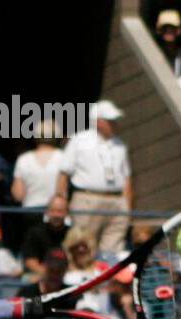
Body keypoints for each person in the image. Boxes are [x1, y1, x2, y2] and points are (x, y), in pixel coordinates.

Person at [55, 100, 132, 258]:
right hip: (87, 198)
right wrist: (61, 200)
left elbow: (126, 178)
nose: (114, 124)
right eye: (110, 121)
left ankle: (109, 278)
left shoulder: (120, 145)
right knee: (82, 245)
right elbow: (64, 173)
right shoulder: (79, 140)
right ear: (98, 122)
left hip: (117, 201)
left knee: (114, 249)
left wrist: (127, 207)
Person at [10, 123, 62, 226]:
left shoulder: (24, 159)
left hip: (30, 213)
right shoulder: (64, 158)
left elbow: (18, 195)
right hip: (57, 214)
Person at [20, 194, 70, 274]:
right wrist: (50, 275)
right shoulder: (35, 233)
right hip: (40, 275)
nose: (56, 215)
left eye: (60, 211)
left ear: (67, 212)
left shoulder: (72, 234)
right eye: (53, 210)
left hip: (66, 275)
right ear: (47, 212)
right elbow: (30, 261)